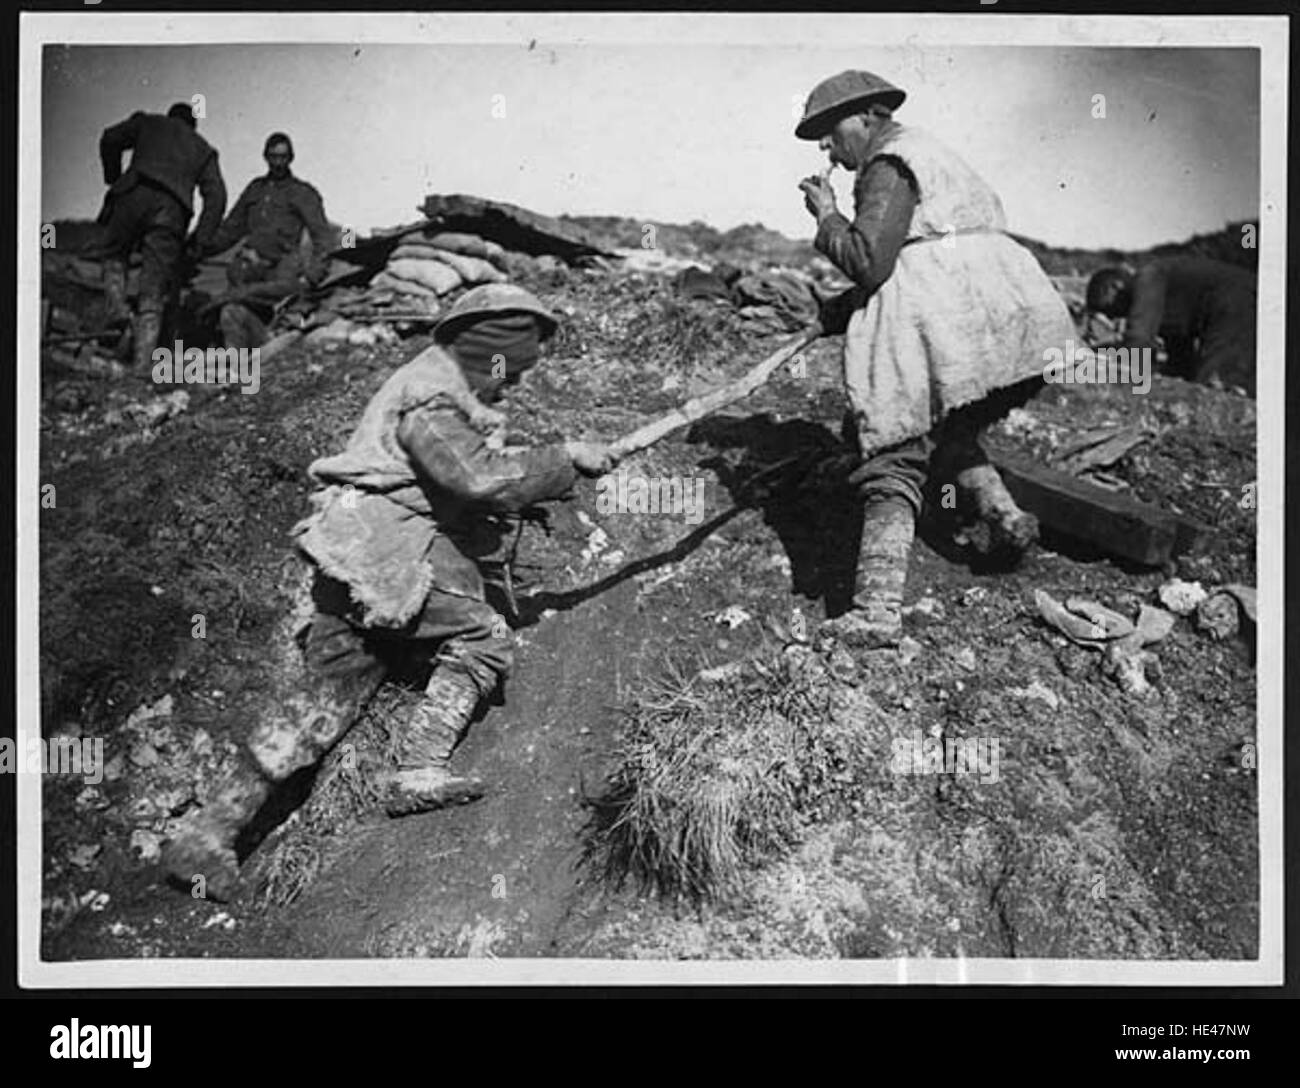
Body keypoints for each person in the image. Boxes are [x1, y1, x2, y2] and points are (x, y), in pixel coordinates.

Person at [160, 284, 615, 900]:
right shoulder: (430, 398)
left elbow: (465, 470)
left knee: (321, 702)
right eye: (513, 369)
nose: (512, 386)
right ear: (491, 349)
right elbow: (477, 477)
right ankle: (418, 768)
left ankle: (208, 833)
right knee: (484, 635)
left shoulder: (440, 383)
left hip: (357, 549)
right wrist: (563, 460)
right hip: (382, 552)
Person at [795, 70, 1077, 649]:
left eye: (829, 131)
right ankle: (1003, 518)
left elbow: (871, 261)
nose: (826, 147)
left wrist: (826, 216)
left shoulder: (889, 163)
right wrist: (835, 313)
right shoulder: (928, 151)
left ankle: (875, 613)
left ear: (869, 117)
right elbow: (917, 255)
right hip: (1009, 317)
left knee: (893, 449)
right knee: (944, 424)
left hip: (946, 318)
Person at [90, 102, 227, 368]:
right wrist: (199, 239)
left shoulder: (149, 123)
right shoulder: (203, 148)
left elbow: (109, 138)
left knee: (114, 256)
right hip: (172, 212)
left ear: (170, 117)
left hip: (132, 194)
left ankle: (117, 310)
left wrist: (114, 178)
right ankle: (142, 367)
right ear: (193, 125)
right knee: (154, 290)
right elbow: (217, 197)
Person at [202, 132, 337, 348]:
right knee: (231, 311)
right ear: (265, 157)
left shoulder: (302, 193)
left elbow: (323, 237)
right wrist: (200, 248)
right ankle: (237, 368)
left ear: (291, 158)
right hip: (249, 271)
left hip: (281, 273)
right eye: (273, 157)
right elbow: (230, 229)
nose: (278, 163)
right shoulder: (255, 189)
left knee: (242, 301)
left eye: (283, 157)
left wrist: (312, 276)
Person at [1085, 257, 1257, 394]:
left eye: (1107, 309)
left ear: (1114, 287)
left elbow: (1139, 339)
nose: (1111, 316)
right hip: (1236, 303)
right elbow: (1180, 355)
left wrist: (1125, 385)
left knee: (1218, 386)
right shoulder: (1167, 299)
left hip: (1237, 302)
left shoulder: (1148, 278)